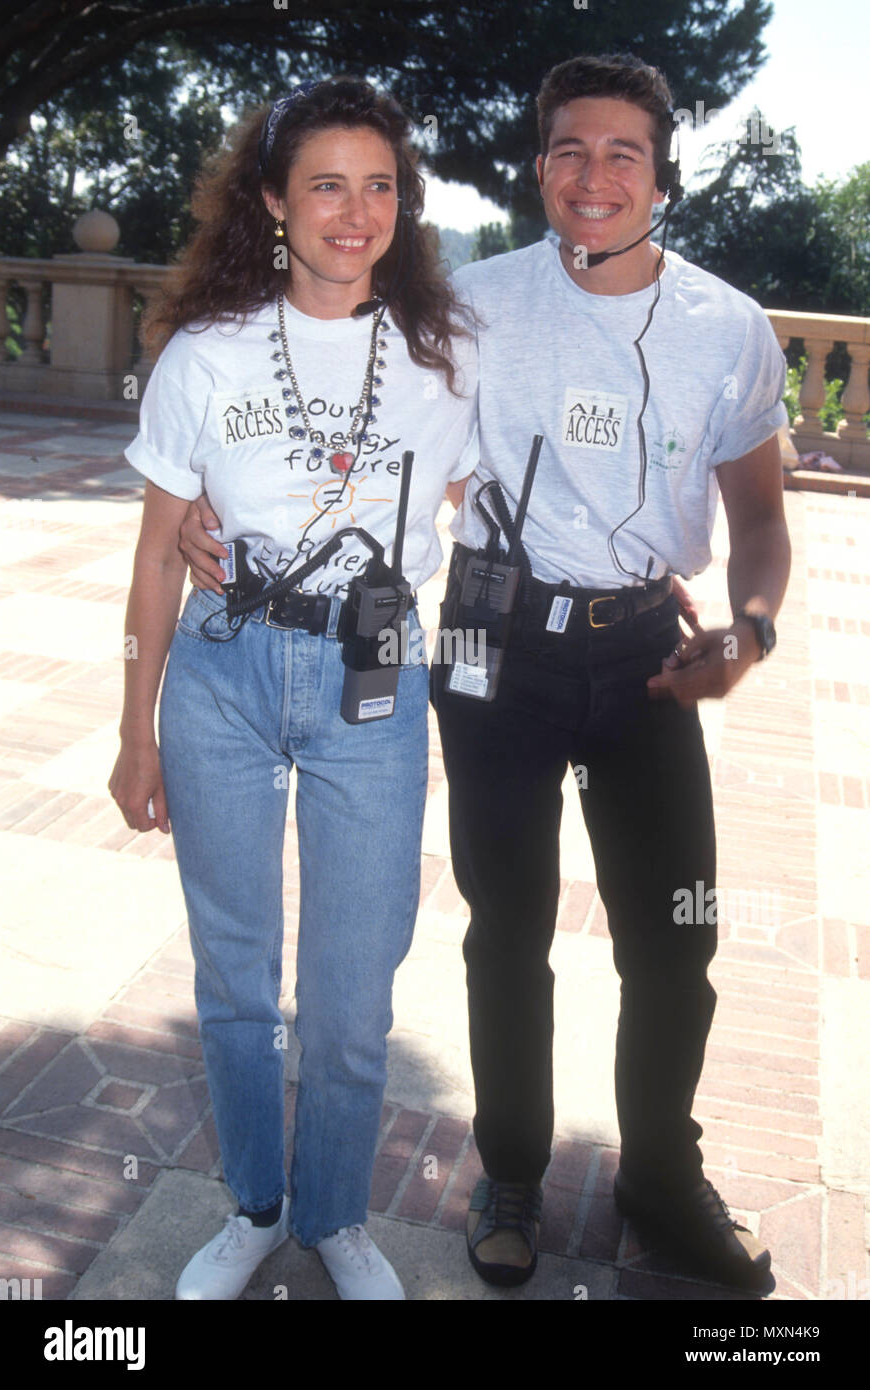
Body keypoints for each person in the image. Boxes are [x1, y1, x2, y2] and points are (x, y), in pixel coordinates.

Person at [109, 76, 477, 1301]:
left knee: (351, 985)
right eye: (327, 183)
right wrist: (134, 731)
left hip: (370, 680)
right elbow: (162, 550)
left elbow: (509, 503)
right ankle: (257, 1206)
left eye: (381, 186)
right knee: (233, 967)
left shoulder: (444, 358)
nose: (355, 211)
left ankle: (336, 1215)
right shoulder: (206, 354)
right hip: (220, 672)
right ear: (273, 200)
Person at [428, 53, 791, 1292]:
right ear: (539, 170)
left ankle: (660, 1174)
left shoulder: (726, 327)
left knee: (677, 936)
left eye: (622, 153)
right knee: (507, 929)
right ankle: (512, 1169)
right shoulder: (472, 303)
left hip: (646, 655)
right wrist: (212, 515)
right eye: (570, 152)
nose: (594, 177)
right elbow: (367, 439)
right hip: (488, 639)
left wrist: (748, 633)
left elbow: (763, 519)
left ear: (662, 175)